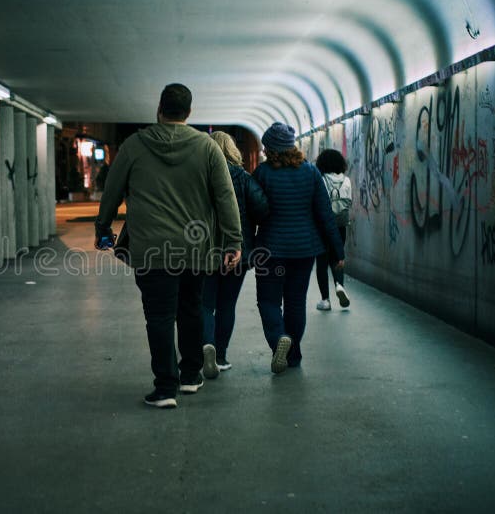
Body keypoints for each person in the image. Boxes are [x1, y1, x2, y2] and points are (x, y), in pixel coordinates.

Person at [95, 83, 242, 409]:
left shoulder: (135, 145)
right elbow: (225, 196)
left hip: (151, 249)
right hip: (195, 249)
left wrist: (103, 229)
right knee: (190, 309)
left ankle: (165, 388)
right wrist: (233, 241)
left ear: (159, 109)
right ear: (189, 113)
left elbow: (112, 191)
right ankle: (190, 377)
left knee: (159, 316)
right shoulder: (207, 147)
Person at [251, 122, 344, 374]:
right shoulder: (311, 172)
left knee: (268, 301)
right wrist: (338, 252)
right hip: (303, 250)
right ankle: (293, 355)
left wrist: (247, 247)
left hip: (270, 251)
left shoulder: (262, 173)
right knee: (295, 302)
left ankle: (279, 339)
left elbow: (252, 213)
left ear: (271, 148)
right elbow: (325, 215)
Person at [201, 131, 269, 379]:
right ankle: (220, 356)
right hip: (237, 250)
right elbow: (262, 208)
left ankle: (205, 345)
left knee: (205, 304)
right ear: (233, 150)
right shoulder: (243, 177)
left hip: (204, 251)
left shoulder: (200, 176)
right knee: (227, 304)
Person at [314, 149, 352, 310]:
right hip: (341, 224)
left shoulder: (320, 179)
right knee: (337, 258)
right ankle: (339, 285)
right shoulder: (347, 180)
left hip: (323, 225)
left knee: (322, 262)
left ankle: (325, 300)